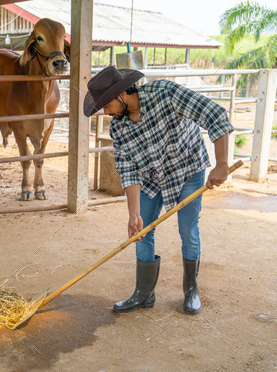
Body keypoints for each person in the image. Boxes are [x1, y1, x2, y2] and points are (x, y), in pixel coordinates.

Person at [83, 66, 233, 315]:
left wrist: (223, 164)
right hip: (152, 178)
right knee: (141, 231)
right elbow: (128, 171)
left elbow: (215, 115)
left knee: (188, 230)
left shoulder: (166, 93)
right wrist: (134, 214)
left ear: (122, 94)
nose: (105, 111)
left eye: (106, 104)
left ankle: (191, 290)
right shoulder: (118, 128)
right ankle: (144, 294)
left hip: (187, 170)